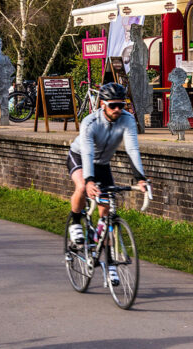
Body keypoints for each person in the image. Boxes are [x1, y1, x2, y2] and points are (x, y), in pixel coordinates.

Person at [67, 83, 148, 285]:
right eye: (113, 106)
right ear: (103, 104)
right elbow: (86, 152)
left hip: (102, 163)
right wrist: (88, 181)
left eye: (121, 105)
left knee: (107, 216)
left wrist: (141, 178)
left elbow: (132, 150)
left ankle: (110, 264)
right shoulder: (90, 122)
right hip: (80, 157)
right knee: (80, 188)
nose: (118, 110)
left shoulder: (127, 120)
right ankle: (76, 222)